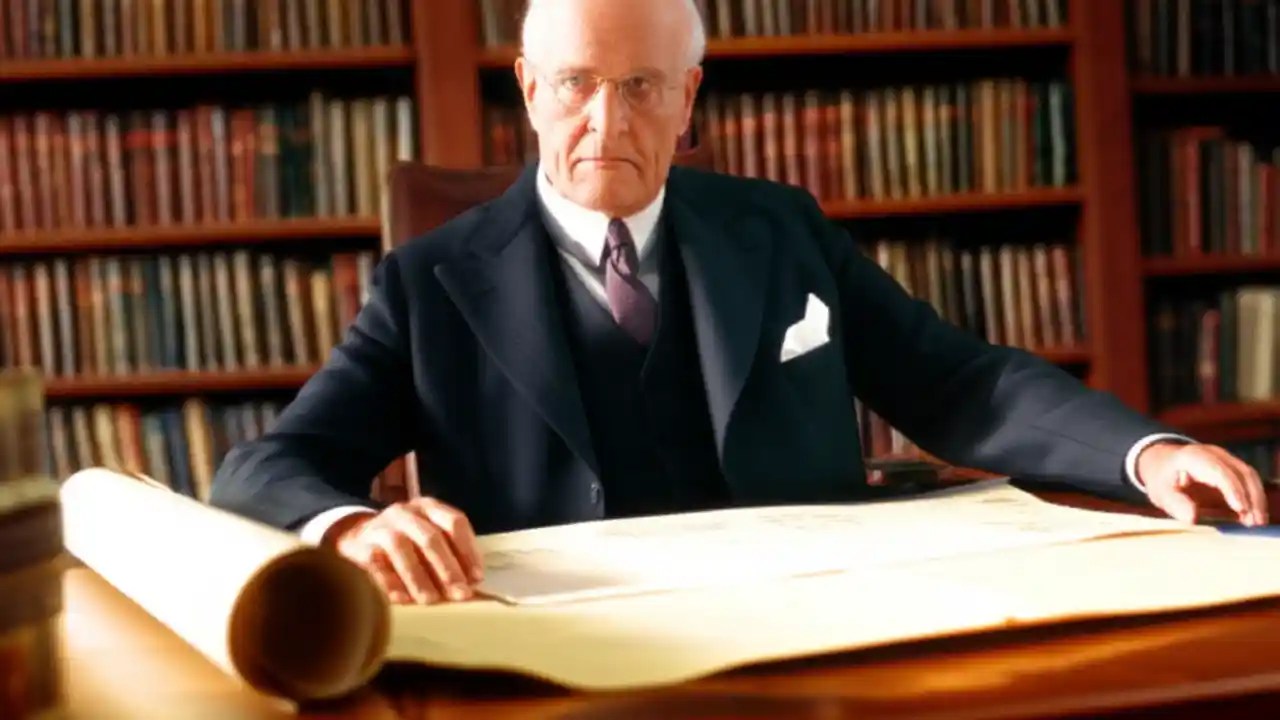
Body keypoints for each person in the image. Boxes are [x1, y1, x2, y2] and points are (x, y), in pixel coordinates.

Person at [210, 0, 1269, 605]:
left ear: (688, 101)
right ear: (528, 91)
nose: (604, 120)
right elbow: (266, 465)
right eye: (575, 83)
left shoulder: (780, 228)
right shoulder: (427, 282)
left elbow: (954, 380)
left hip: (814, 623)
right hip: (567, 654)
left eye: (641, 87)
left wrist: (1147, 456)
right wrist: (349, 527)